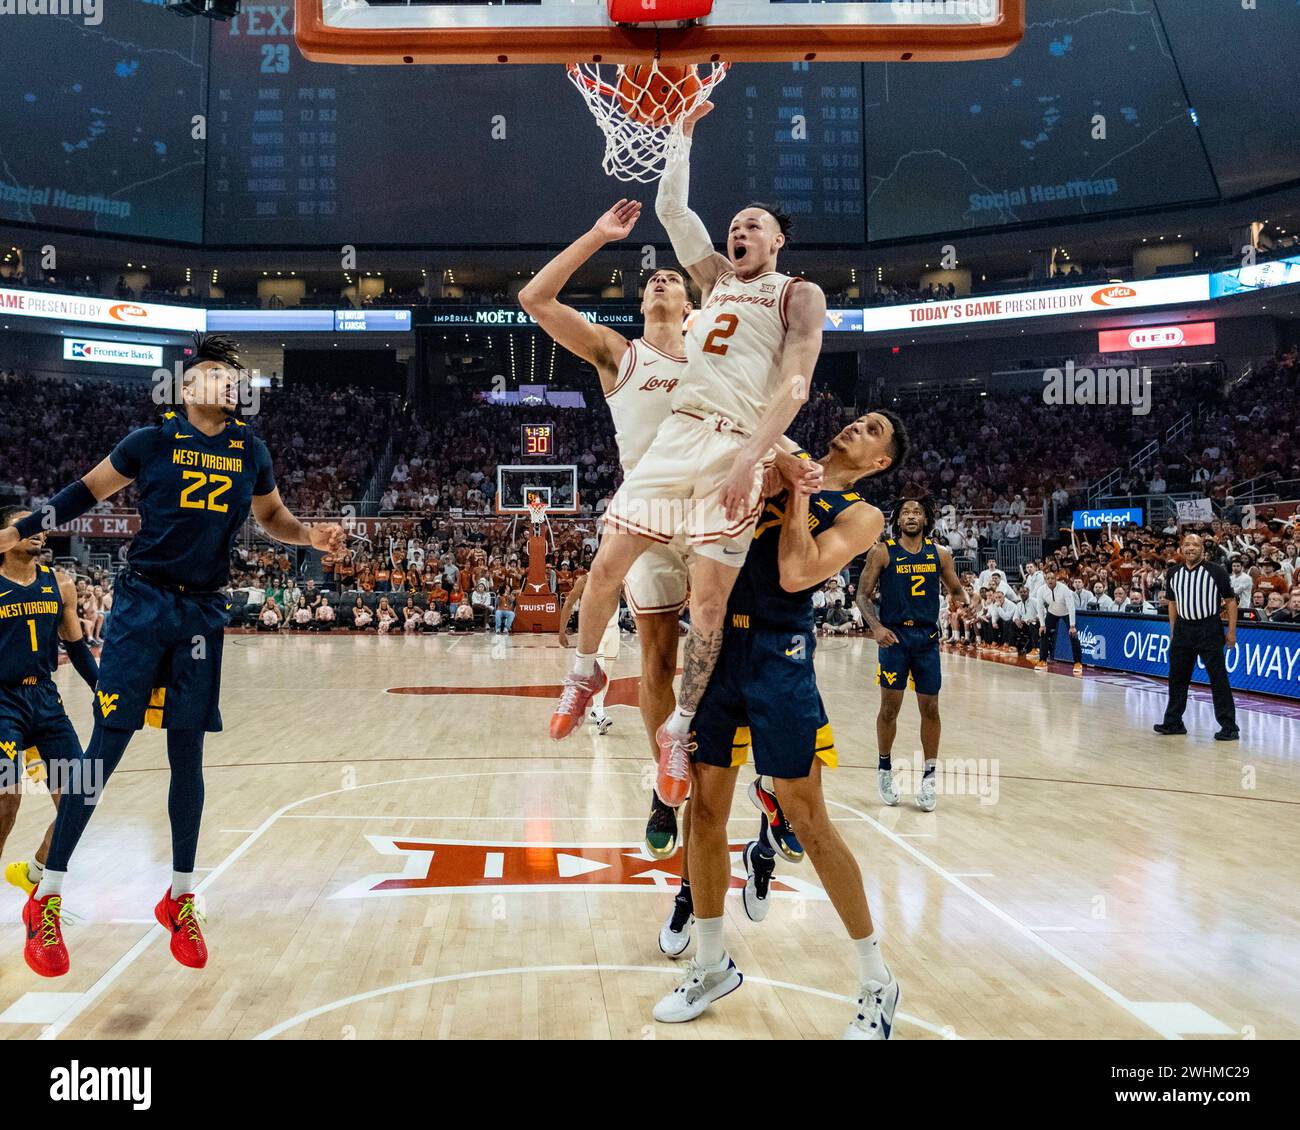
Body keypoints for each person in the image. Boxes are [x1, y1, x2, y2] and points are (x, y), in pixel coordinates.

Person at [0, 334, 346, 977]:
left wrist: (311, 537)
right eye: (213, 374)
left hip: (202, 613)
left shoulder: (252, 450)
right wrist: (14, 531)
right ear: (186, 389)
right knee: (101, 755)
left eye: (233, 376)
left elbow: (272, 517)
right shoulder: (150, 441)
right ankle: (45, 900)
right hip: (142, 607)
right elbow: (79, 494)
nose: (227, 382)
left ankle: (181, 897)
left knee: (188, 754)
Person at [547, 105, 826, 829]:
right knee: (610, 570)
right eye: (734, 225)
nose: (738, 232)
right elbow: (671, 206)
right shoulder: (715, 284)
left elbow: (795, 383)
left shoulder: (797, 293)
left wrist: (763, 456)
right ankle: (584, 679)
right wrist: (685, 128)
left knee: (711, 616)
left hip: (738, 444)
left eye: (753, 225)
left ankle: (685, 735)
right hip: (680, 440)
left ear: (781, 240)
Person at [653, 412, 903, 1039]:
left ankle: (878, 981)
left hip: (779, 654)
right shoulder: (777, 457)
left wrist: (800, 491)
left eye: (874, 431)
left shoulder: (862, 516)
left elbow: (796, 573)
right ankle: (711, 963)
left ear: (881, 463)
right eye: (858, 419)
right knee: (704, 812)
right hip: (715, 650)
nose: (857, 426)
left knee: (808, 818)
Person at [0, 509, 100, 907]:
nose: (40, 533)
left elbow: (76, 647)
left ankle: (36, 871)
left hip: (45, 701)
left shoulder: (60, 584)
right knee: (6, 795)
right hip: (2, 703)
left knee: (84, 793)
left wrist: (101, 689)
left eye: (42, 526)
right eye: (27, 526)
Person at [857, 495, 969, 812]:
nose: (911, 515)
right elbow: (862, 596)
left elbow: (955, 589)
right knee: (889, 709)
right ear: (897, 520)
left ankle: (929, 779)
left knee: (930, 708)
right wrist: (876, 627)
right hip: (894, 637)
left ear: (925, 520)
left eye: (917, 511)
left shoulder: (940, 554)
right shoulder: (882, 552)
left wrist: (962, 600)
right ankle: (884, 770)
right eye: (905, 511)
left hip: (926, 638)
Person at [1155, 534, 1239, 741]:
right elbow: (1172, 603)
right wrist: (1173, 630)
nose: (1191, 548)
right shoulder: (1173, 572)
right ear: (1181, 548)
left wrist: (1231, 632)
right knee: (1177, 678)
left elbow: (1230, 602)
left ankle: (1229, 726)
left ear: (1203, 549)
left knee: (1218, 679)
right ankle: (1173, 722)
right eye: (1187, 544)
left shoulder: (1216, 571)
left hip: (1208, 628)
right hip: (1183, 628)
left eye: (1195, 545)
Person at [1034, 567, 1083, 675]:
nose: (1050, 580)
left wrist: (1072, 625)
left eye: (1052, 578)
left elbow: (1071, 607)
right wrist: (1042, 625)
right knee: (1043, 632)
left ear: (1056, 579)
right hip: (1052, 612)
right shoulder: (1041, 590)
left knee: (1073, 635)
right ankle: (1042, 660)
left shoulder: (1064, 589)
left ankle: (1078, 662)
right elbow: (1040, 608)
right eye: (1048, 578)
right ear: (1045, 580)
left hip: (1066, 613)